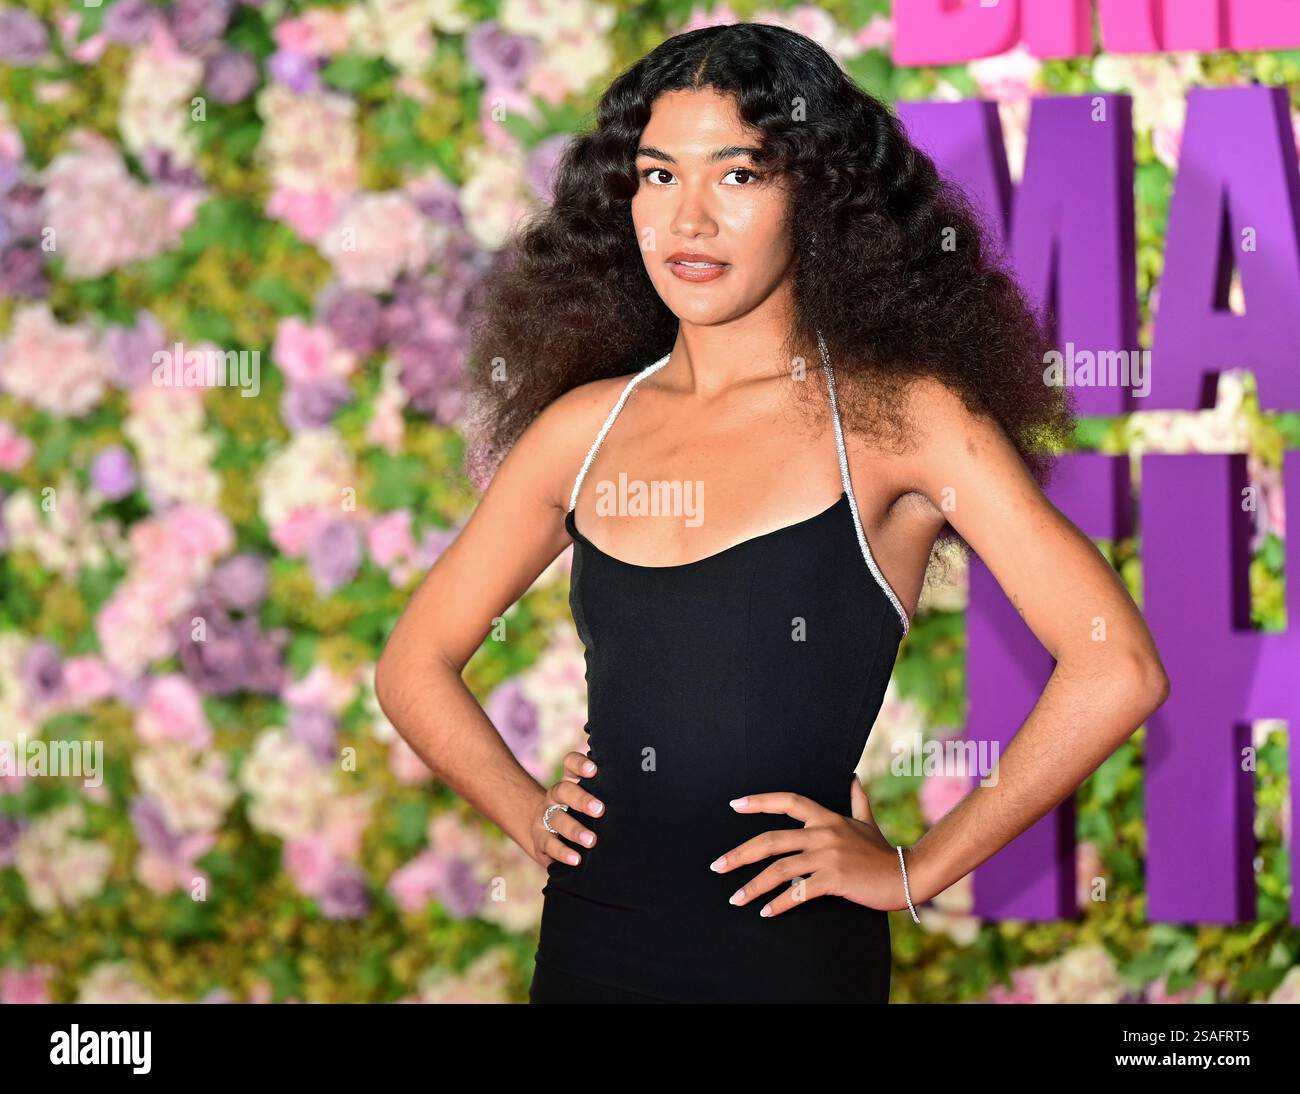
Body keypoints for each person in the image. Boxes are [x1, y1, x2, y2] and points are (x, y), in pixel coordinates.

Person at [375, 22, 1170, 1004]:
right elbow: (413, 664)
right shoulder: (585, 426)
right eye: (658, 176)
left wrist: (913, 870)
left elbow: (1116, 665)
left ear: (815, 195)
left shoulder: (899, 419)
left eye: (738, 176)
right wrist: (531, 814)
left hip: (790, 963)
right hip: (589, 948)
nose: (687, 220)